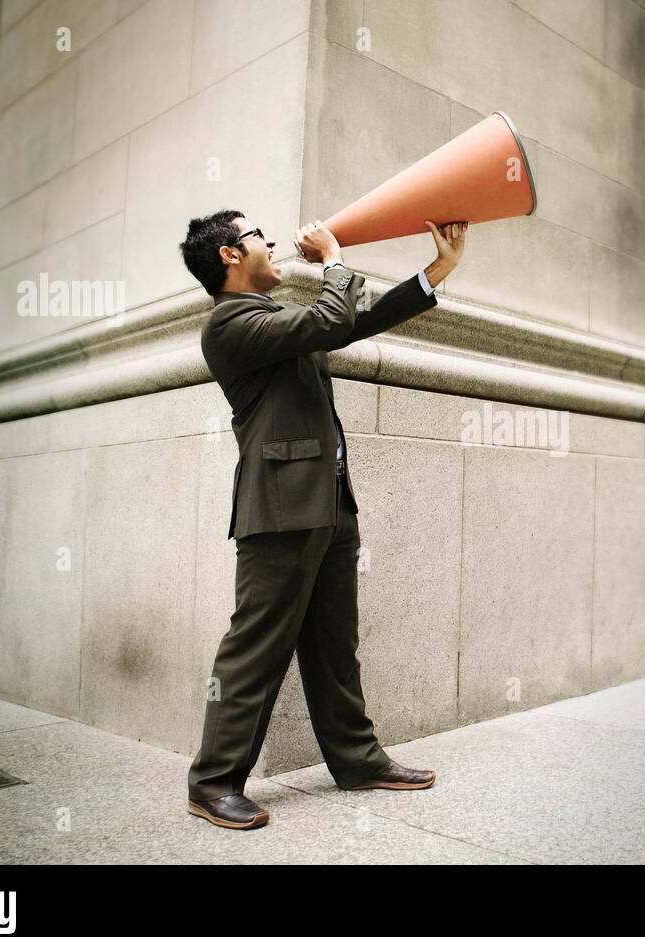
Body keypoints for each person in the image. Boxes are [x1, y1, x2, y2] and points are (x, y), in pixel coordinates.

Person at [178, 210, 468, 829]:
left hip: (329, 502)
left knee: (335, 643)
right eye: (257, 235)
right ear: (230, 256)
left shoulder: (278, 320)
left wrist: (437, 269)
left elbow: (352, 322)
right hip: (281, 508)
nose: (273, 241)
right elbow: (333, 316)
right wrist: (334, 260)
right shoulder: (228, 325)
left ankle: (357, 759)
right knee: (254, 648)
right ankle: (212, 782)